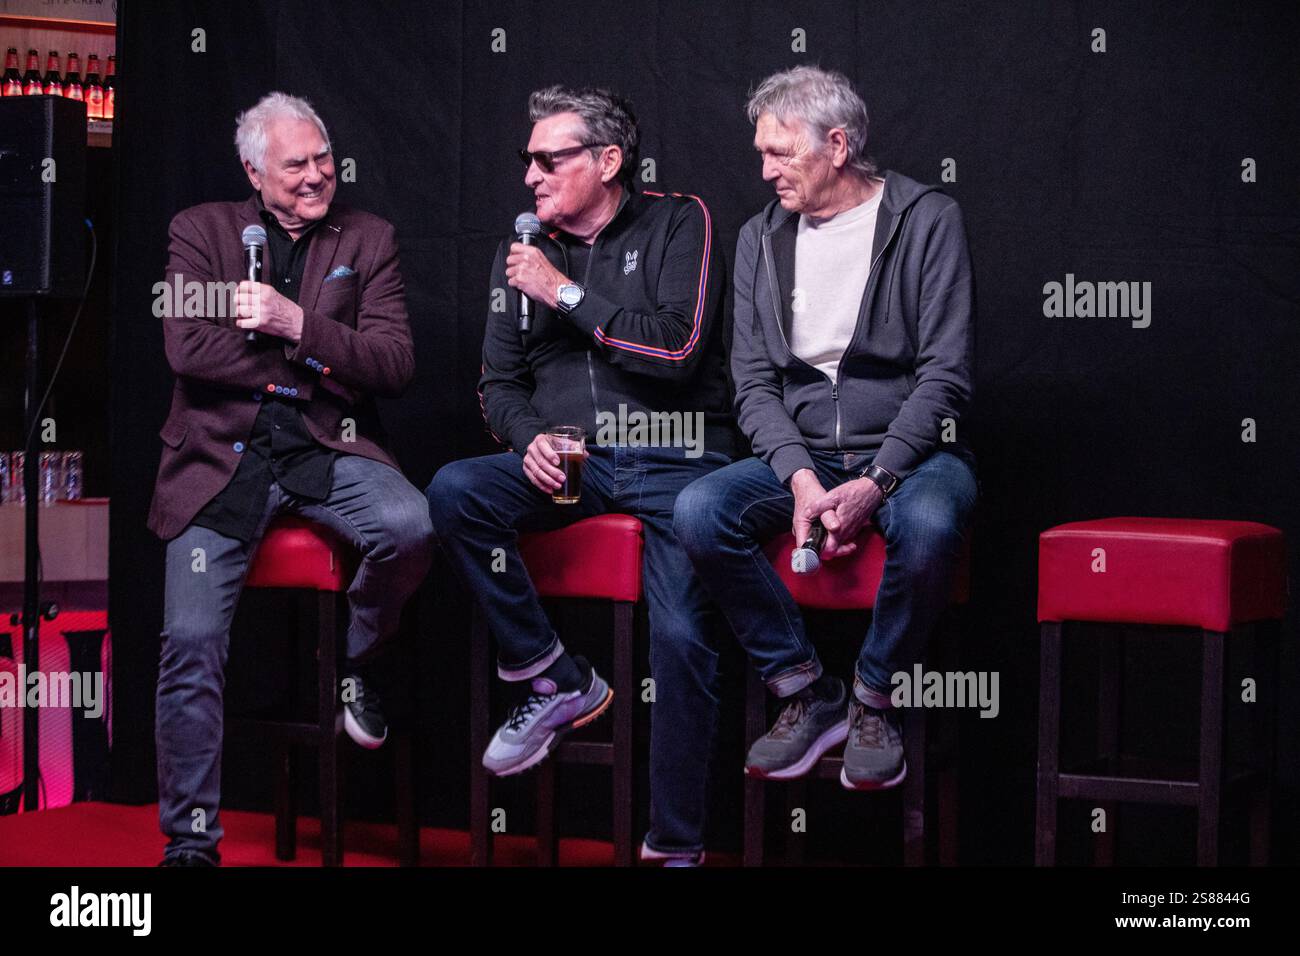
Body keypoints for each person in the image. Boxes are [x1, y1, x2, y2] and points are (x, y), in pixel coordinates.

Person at [426, 85, 736, 866]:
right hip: (577, 465)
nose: (529, 175)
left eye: (548, 158)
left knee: (681, 641)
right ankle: (559, 677)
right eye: (526, 160)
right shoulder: (525, 252)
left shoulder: (679, 220)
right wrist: (530, 438)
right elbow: (499, 384)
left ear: (608, 160)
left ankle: (676, 847)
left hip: (679, 462)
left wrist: (562, 293)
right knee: (457, 491)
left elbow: (677, 349)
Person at [675, 66, 978, 791]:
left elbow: (946, 378)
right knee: (699, 509)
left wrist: (876, 483)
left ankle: (875, 696)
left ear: (837, 145)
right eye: (761, 153)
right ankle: (807, 690)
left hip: (913, 455)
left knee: (931, 523)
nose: (765, 169)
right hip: (807, 455)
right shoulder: (759, 238)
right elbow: (751, 383)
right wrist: (802, 479)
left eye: (781, 152)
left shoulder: (927, 218)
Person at [149, 92, 433, 866]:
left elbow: (394, 364)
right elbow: (187, 351)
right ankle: (190, 843)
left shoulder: (368, 239)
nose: (316, 176)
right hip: (218, 461)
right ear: (253, 169)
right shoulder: (199, 232)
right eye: (294, 164)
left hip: (326, 447)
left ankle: (361, 661)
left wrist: (294, 324)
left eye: (322, 159)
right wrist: (316, 363)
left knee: (410, 528)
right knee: (192, 640)